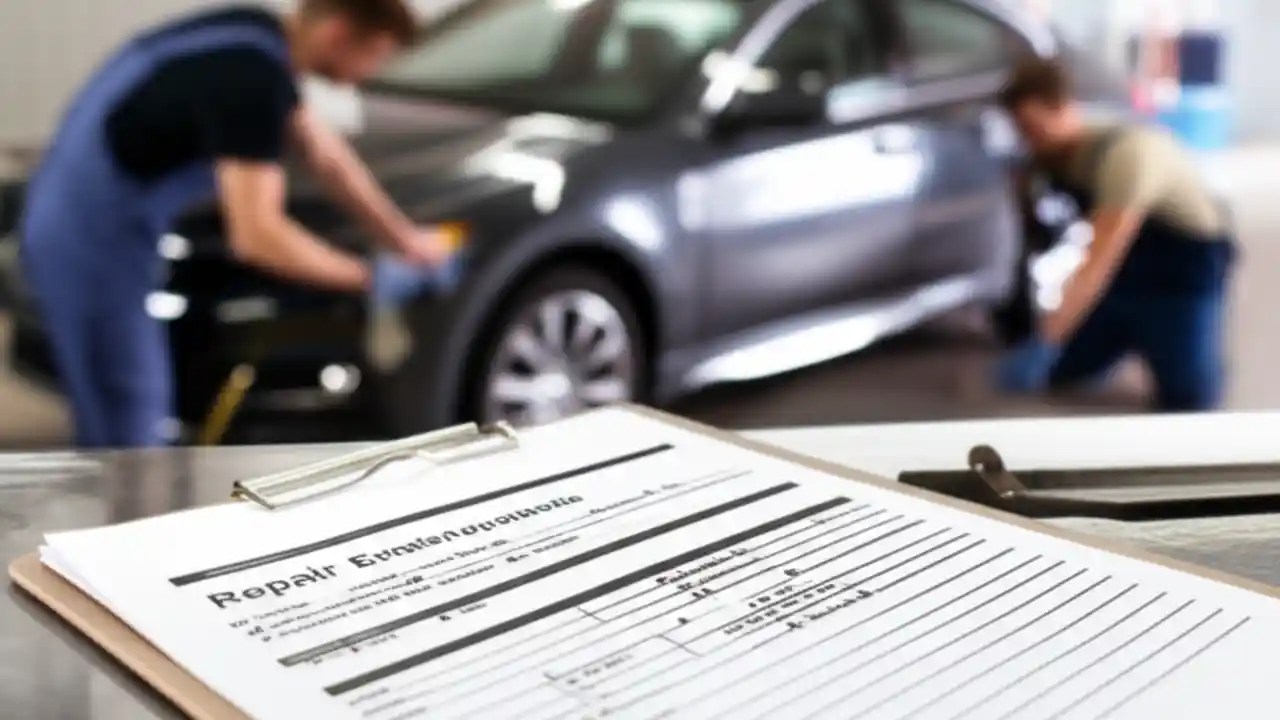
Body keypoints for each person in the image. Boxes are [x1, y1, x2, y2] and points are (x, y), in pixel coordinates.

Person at [21, 0, 451, 448]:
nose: (370, 71)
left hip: (71, 210)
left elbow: (328, 158)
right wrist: (370, 278)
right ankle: (126, 514)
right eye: (376, 55)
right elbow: (258, 237)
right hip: (90, 239)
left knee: (112, 403)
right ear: (339, 34)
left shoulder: (255, 34)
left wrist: (406, 241)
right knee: (129, 413)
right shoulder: (252, 79)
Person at [995, 57, 1235, 412]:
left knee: (1189, 399)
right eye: (1022, 133)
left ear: (1063, 107)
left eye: (1034, 129)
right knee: (1062, 369)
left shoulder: (1127, 154)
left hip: (1185, 265)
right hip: (1127, 269)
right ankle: (1123, 331)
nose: (1030, 142)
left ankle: (1181, 351)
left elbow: (1098, 259)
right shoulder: (1052, 157)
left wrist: (1046, 338)